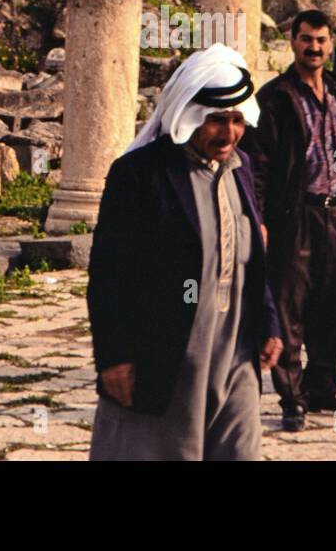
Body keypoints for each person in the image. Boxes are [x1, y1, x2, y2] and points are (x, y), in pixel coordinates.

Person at [87, 44, 283, 460]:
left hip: (235, 359)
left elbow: (250, 259)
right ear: (188, 115)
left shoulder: (241, 169)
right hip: (168, 358)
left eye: (236, 120)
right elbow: (109, 273)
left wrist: (269, 322)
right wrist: (114, 356)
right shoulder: (141, 176)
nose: (228, 133)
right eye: (215, 121)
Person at [240, 10, 336, 432]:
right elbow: (257, 165)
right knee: (290, 306)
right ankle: (291, 398)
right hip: (293, 214)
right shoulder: (275, 97)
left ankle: (323, 390)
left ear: (331, 44)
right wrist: (258, 217)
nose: (314, 47)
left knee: (334, 305)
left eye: (321, 40)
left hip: (333, 212)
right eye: (306, 39)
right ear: (293, 42)